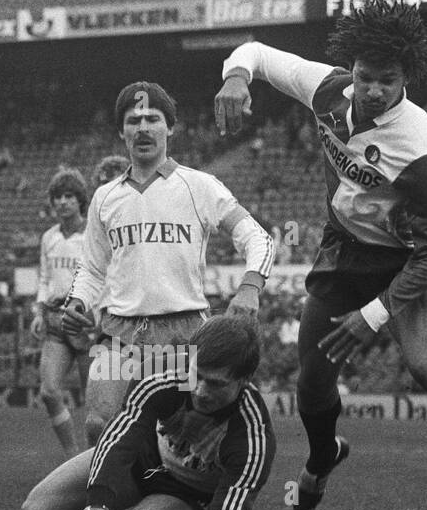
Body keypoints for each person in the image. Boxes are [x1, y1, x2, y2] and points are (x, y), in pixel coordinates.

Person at [213, 0, 427, 510]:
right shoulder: (327, 88)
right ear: (351, 70)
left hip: (403, 267)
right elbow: (255, 51)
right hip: (343, 257)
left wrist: (371, 316)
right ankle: (324, 457)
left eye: (387, 81)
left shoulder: (419, 145)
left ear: (406, 80)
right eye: (366, 77)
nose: (373, 89)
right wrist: (236, 77)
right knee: (313, 378)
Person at [60, 81, 276, 446]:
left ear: (170, 127)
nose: (142, 127)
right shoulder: (104, 197)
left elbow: (259, 238)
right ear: (121, 131)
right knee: (99, 424)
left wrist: (250, 287)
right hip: (119, 332)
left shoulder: (200, 185)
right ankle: (107, 502)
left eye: (152, 118)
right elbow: (93, 268)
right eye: (133, 120)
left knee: (183, 438)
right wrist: (78, 300)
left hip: (185, 332)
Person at [20, 315, 275, 510]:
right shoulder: (163, 371)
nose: (201, 390)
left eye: (216, 383)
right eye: (198, 374)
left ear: (244, 381)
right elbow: (119, 439)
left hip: (186, 497)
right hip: (145, 460)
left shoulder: (253, 435)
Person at [31, 169, 94, 456]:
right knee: (49, 391)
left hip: (86, 322)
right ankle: (72, 458)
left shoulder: (93, 235)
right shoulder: (49, 237)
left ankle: (97, 463)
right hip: (55, 320)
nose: (62, 202)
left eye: (69, 196)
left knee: (95, 403)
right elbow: (45, 278)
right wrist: (38, 311)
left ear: (80, 200)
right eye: (57, 197)